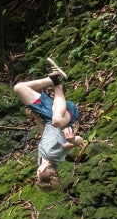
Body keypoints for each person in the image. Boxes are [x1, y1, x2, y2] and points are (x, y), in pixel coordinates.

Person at [13, 58, 85, 191]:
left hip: (47, 116)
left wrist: (35, 117)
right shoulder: (55, 156)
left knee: (19, 88)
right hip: (67, 115)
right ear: (39, 173)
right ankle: (58, 85)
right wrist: (73, 140)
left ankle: (53, 78)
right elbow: (81, 142)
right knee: (57, 121)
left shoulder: (42, 159)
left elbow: (45, 135)